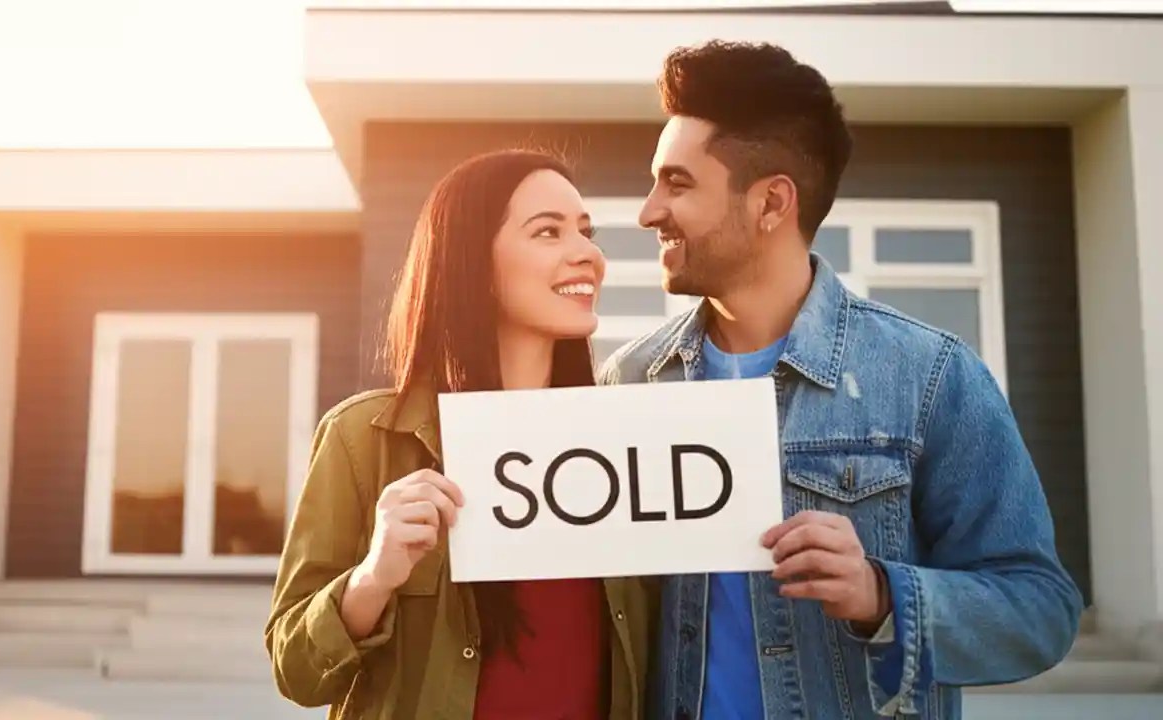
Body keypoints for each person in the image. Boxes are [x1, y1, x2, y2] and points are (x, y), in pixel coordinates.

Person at [597, 40, 1083, 719]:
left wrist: (882, 593)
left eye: (676, 183)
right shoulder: (627, 383)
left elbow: (1041, 610)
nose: (648, 211)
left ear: (772, 203)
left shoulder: (929, 376)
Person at [265, 148, 654, 719]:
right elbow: (294, 669)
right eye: (548, 232)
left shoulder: (626, 441)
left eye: (585, 232)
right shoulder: (362, 437)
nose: (587, 255)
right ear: (473, 261)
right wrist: (374, 577)